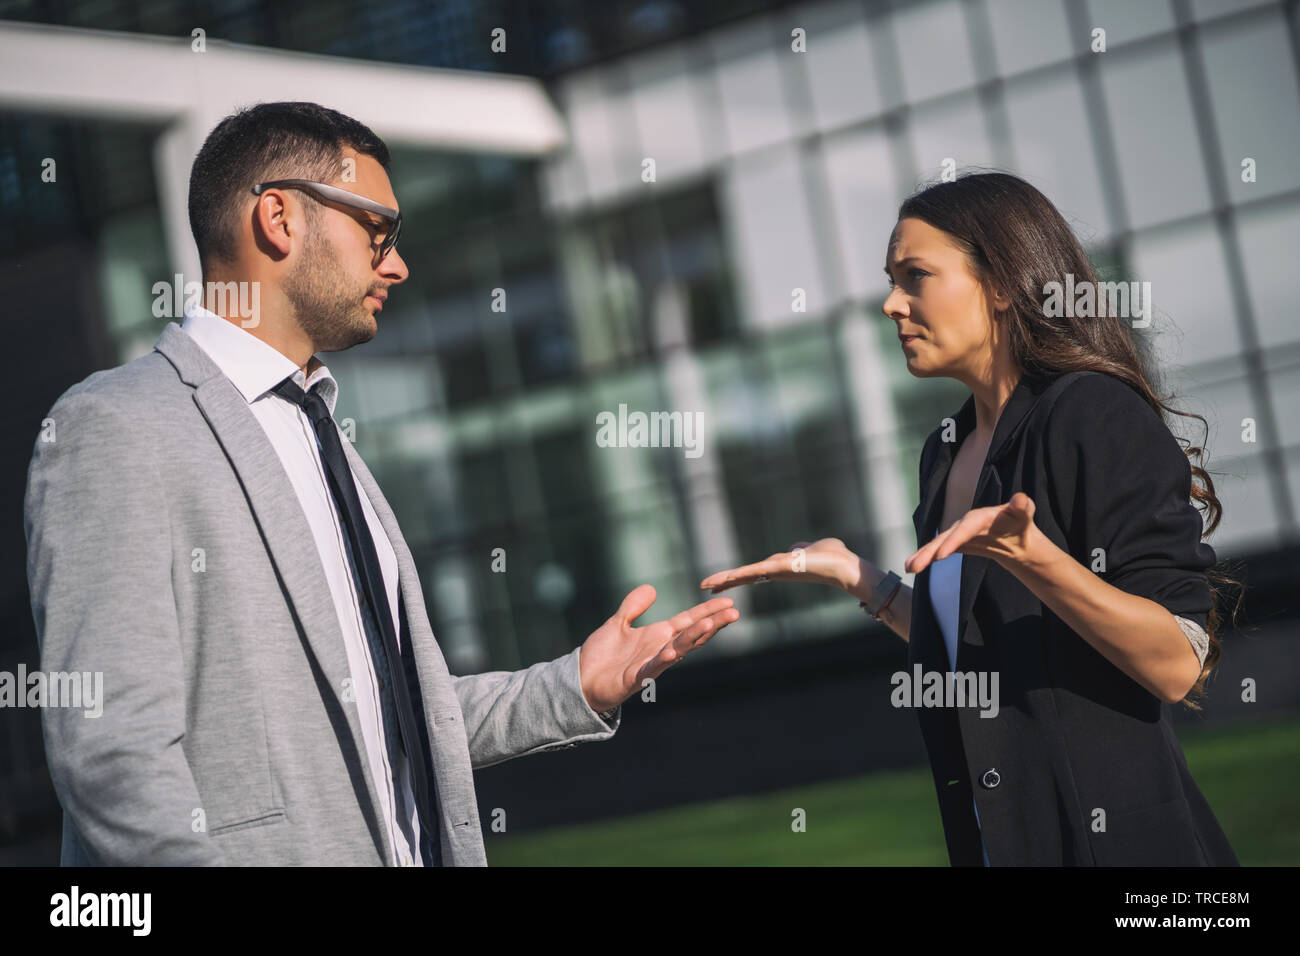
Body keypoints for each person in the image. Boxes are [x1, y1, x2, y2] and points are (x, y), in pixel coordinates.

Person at [24, 101, 739, 866]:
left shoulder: (324, 432)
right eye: (378, 230)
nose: (395, 262)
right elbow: (112, 756)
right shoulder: (116, 426)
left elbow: (386, 719)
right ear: (279, 218)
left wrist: (574, 688)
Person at [701, 171, 1240, 867]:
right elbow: (980, 648)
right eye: (891, 281)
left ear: (1002, 283)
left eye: (915, 276)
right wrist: (869, 584)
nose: (892, 304)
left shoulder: (1090, 413)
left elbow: (1174, 663)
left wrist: (1036, 559)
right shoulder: (945, 453)